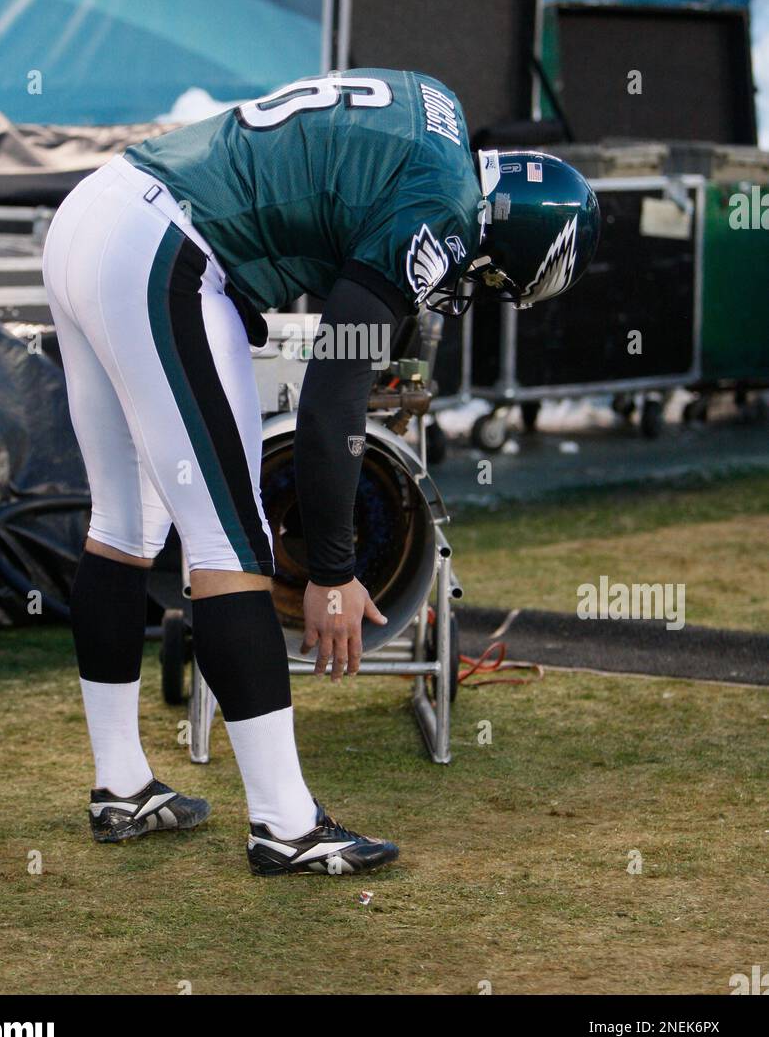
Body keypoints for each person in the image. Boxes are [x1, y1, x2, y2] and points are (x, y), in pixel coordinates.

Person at [41, 67, 600, 869]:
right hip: (164, 251)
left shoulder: (437, 105)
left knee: (123, 527)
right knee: (231, 549)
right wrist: (333, 571)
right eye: (491, 277)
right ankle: (285, 825)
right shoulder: (441, 212)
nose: (472, 286)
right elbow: (332, 397)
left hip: (96, 210)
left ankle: (122, 785)